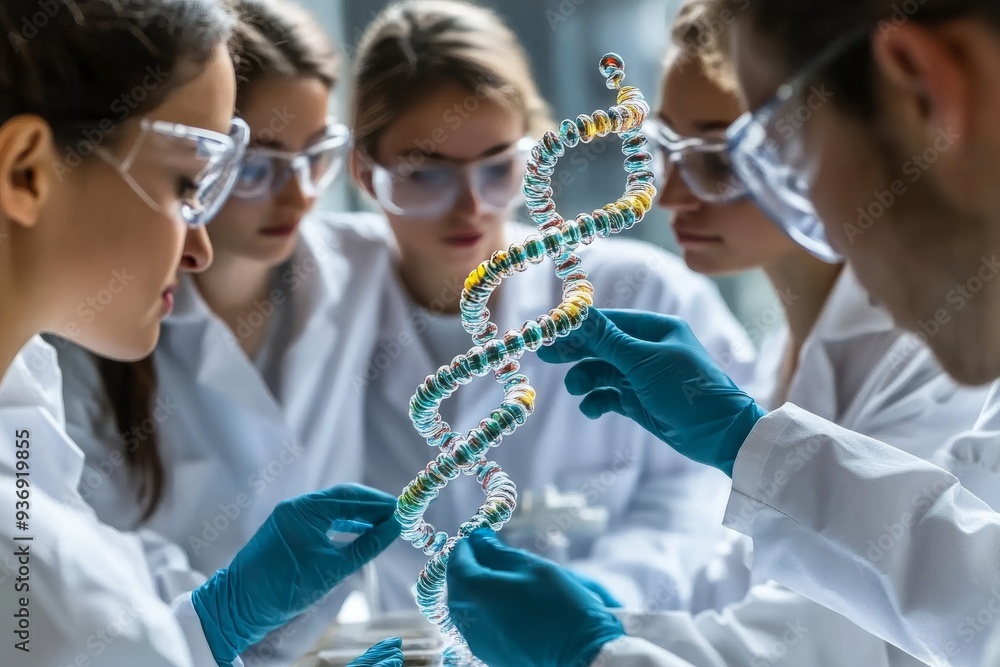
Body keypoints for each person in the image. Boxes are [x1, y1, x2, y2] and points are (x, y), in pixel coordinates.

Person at [437, 2, 992, 666]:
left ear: (924, 85)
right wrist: (747, 444)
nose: (668, 195)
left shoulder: (928, 352)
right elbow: (970, 592)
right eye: (661, 150)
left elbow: (846, 640)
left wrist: (592, 649)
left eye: (767, 152)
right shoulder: (777, 353)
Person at [0, 1, 403, 667]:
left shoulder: (23, 387)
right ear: (25, 171)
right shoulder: (27, 556)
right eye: (186, 182)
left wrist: (213, 621)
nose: (200, 249)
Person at [347, 0, 757, 613]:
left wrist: (601, 594)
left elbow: (713, 495)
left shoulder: (644, 292)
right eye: (424, 174)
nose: (470, 207)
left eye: (497, 168)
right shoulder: (330, 315)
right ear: (362, 171)